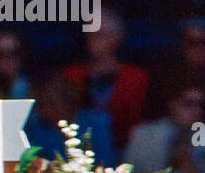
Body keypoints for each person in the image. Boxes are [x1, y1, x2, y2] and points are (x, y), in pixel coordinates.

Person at [60, 9, 148, 152]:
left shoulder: (136, 78)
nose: (93, 40)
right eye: (89, 35)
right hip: (78, 149)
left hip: (126, 149)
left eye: (99, 35)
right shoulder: (71, 75)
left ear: (117, 37)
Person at [124, 82, 205, 173]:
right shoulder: (143, 135)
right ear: (172, 104)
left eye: (201, 105)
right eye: (189, 104)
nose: (197, 110)